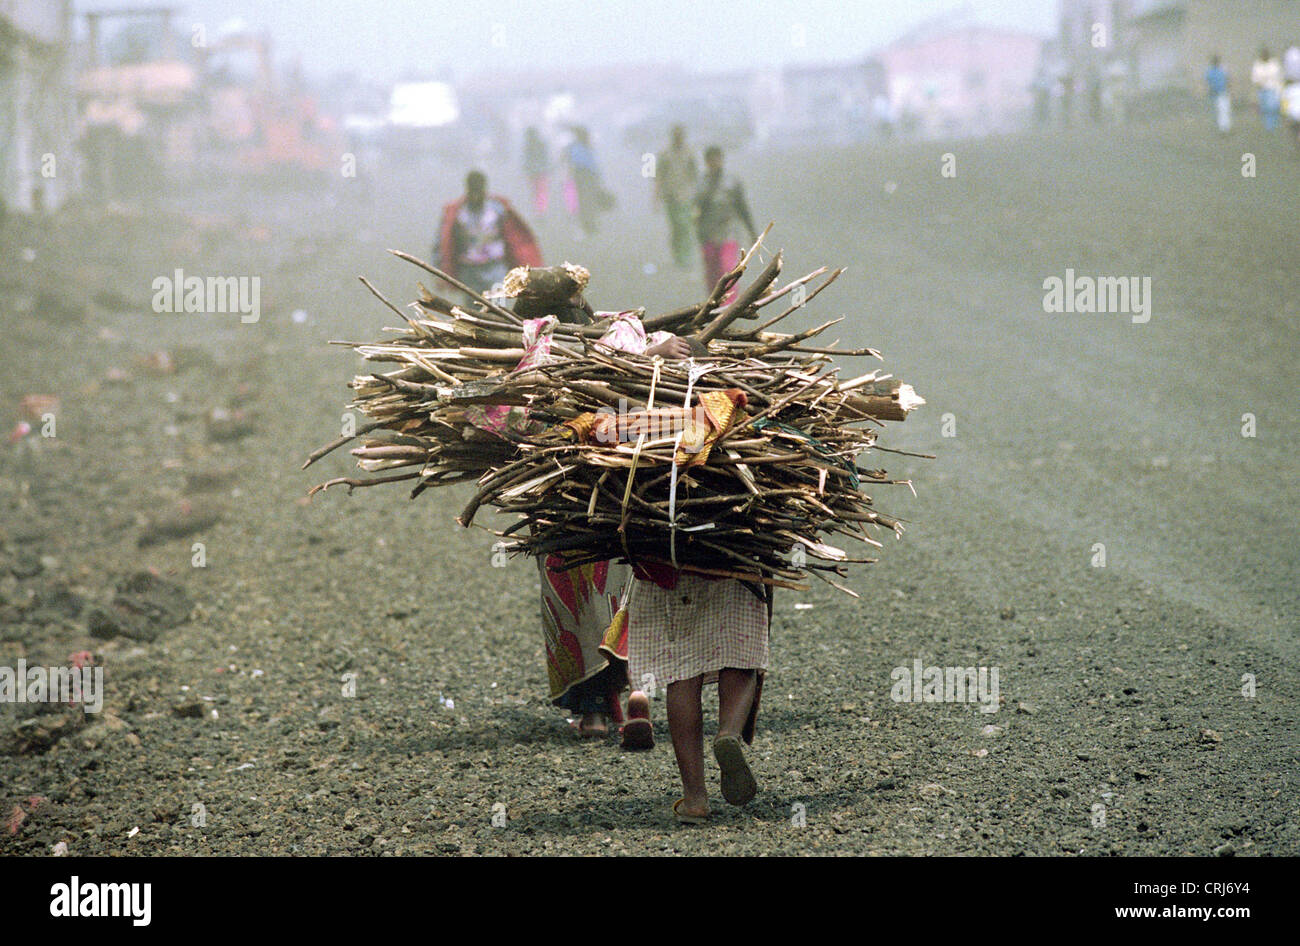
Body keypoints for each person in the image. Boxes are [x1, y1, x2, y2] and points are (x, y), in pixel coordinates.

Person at [628, 557, 770, 824]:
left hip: (668, 563)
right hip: (734, 554)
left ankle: (695, 799)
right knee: (739, 656)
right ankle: (728, 733)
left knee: (682, 674)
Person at [433, 170, 542, 296]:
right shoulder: (457, 213)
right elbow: (442, 244)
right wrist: (440, 273)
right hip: (470, 271)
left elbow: (518, 240)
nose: (475, 197)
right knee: (473, 311)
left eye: (478, 192)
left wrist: (529, 270)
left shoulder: (497, 209)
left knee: (499, 308)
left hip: (495, 268)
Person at [693, 146, 757, 304]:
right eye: (711, 160)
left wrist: (752, 231)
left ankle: (728, 306)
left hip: (729, 233)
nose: (715, 163)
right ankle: (714, 302)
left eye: (717, 159)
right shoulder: (701, 184)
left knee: (727, 269)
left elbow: (743, 208)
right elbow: (696, 209)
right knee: (712, 272)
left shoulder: (732, 183)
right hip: (708, 233)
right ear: (706, 162)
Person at [655, 125, 698, 269]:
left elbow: (694, 175)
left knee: (685, 225)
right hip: (670, 196)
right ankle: (677, 255)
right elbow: (659, 176)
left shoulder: (690, 153)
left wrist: (697, 196)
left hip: (686, 195)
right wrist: (656, 197)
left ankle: (686, 257)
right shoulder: (665, 154)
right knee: (676, 227)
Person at [563, 126, 614, 236]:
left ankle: (587, 225)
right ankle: (590, 224)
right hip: (590, 176)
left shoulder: (573, 147)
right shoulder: (587, 146)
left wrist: (569, 177)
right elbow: (593, 163)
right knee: (589, 201)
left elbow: (569, 163)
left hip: (580, 175)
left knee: (583, 201)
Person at [1251, 48, 1283, 132]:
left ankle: (1273, 125)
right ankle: (1268, 126)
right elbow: (1255, 79)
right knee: (1265, 109)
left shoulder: (1274, 64)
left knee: (1272, 108)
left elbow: (1278, 77)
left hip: (1273, 89)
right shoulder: (1257, 65)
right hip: (1262, 90)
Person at [522, 127, 550, 216]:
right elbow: (546, 158)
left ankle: (537, 211)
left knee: (534, 192)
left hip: (532, 172)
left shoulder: (528, 145)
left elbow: (526, 160)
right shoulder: (542, 144)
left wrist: (526, 170)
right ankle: (541, 211)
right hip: (542, 171)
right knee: (541, 192)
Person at [1206, 55, 1232, 135]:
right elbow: (1208, 82)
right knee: (1222, 111)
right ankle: (1223, 128)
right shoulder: (1212, 71)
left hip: (1222, 93)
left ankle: (1224, 128)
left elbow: (1228, 80)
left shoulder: (1221, 70)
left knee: (1223, 110)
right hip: (1217, 93)